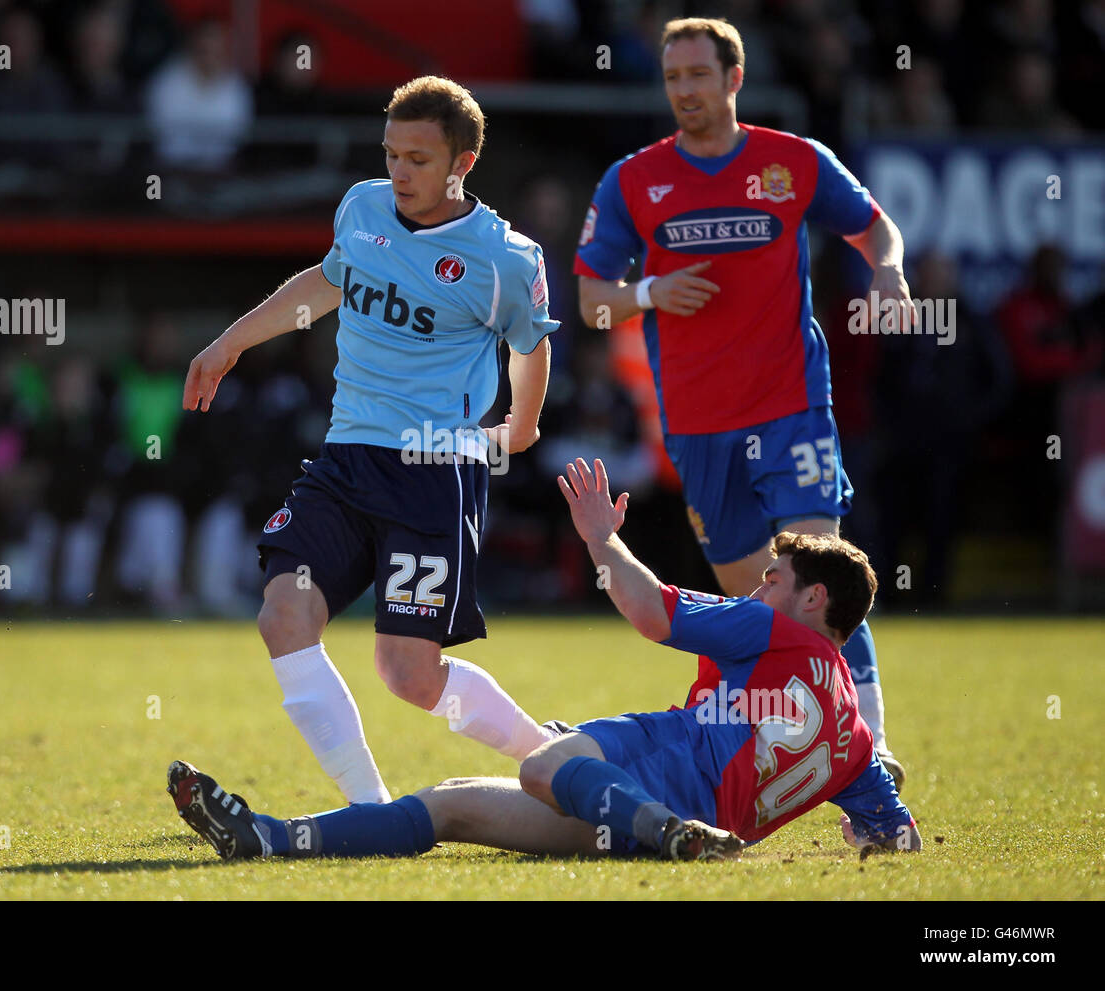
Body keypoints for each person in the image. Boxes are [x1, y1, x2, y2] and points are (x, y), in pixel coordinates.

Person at [166, 457, 920, 862]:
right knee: (451, 802)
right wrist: (874, 835)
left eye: (776, 579)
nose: (760, 585)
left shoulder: (776, 632)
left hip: (658, 768)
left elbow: (650, 609)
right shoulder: (855, 742)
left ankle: (660, 826)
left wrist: (601, 538)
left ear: (815, 601)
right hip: (656, 820)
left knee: (542, 763)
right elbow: (898, 833)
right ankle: (271, 836)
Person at [181, 76, 558, 806]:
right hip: (346, 456)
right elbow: (325, 283)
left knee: (409, 676)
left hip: (432, 470)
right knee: (283, 614)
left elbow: (531, 344)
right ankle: (370, 808)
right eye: (391, 153)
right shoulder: (360, 207)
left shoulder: (504, 258)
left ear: (463, 163)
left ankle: (550, 755)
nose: (400, 172)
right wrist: (231, 343)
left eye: (419, 158)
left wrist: (524, 423)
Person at [573, 17, 916, 787]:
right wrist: (651, 291)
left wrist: (888, 272)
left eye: (699, 74)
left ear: (733, 78)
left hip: (791, 404)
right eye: (673, 78)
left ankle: (871, 747)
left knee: (813, 573)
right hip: (698, 424)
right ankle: (795, 730)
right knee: (757, 603)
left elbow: (875, 229)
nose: (685, 90)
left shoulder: (791, 163)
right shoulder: (633, 181)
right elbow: (594, 302)